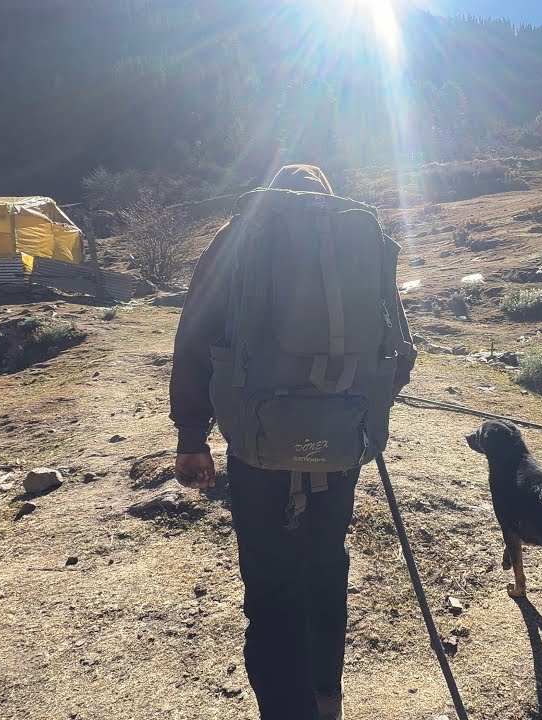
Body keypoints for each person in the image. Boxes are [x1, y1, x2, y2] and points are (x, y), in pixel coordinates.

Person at [169, 164, 416, 720]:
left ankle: (286, 711)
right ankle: (327, 701)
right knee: (326, 569)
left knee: (271, 587)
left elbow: (196, 335)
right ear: (327, 201)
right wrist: (363, 415)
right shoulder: (364, 241)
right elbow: (401, 349)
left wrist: (192, 434)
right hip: (342, 442)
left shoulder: (240, 236)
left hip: (258, 445)